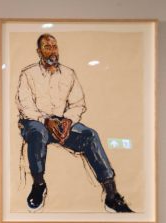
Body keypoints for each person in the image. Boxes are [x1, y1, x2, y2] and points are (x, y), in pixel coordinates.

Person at [17, 34, 132, 213]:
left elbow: (78, 103)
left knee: (90, 135)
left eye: (54, 47)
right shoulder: (27, 74)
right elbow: (24, 106)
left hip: (63, 123)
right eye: (47, 47)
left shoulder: (69, 74)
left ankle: (111, 193)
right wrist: (46, 120)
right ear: (39, 51)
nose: (52, 51)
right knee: (38, 133)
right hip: (36, 122)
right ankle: (39, 185)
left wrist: (68, 121)